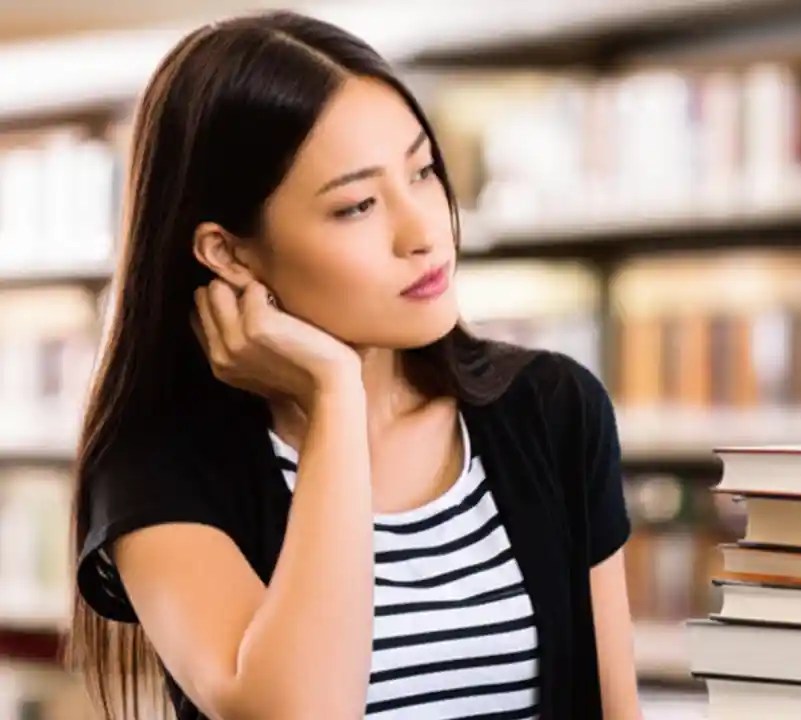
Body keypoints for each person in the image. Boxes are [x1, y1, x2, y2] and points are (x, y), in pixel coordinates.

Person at [69, 10, 641, 720]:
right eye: (359, 205)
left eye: (423, 170)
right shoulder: (159, 466)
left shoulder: (553, 410)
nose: (424, 231)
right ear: (229, 253)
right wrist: (335, 397)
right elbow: (293, 712)